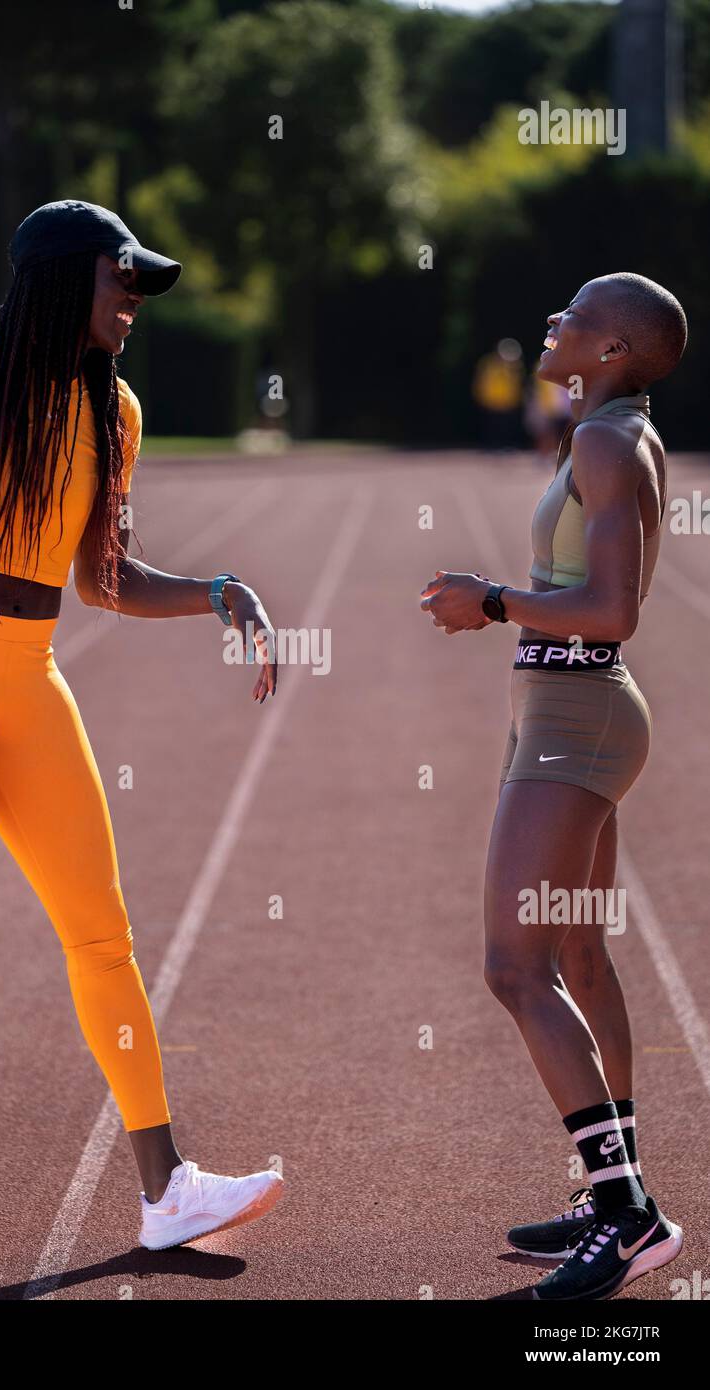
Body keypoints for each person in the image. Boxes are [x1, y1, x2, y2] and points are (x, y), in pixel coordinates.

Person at [0, 200, 283, 1263]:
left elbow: (104, 581)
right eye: (118, 281)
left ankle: (164, 1186)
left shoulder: (114, 412)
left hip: (30, 676)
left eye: (137, 287)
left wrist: (218, 590)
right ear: (56, 283)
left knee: (102, 931)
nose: (133, 303)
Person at [420, 273, 687, 1300]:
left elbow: (610, 609)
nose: (548, 326)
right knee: (574, 948)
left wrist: (487, 600)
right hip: (569, 714)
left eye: (570, 319)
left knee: (513, 966)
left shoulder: (602, 442)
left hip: (573, 720)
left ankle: (623, 1214)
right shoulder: (615, 430)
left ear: (612, 350)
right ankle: (611, 1190)